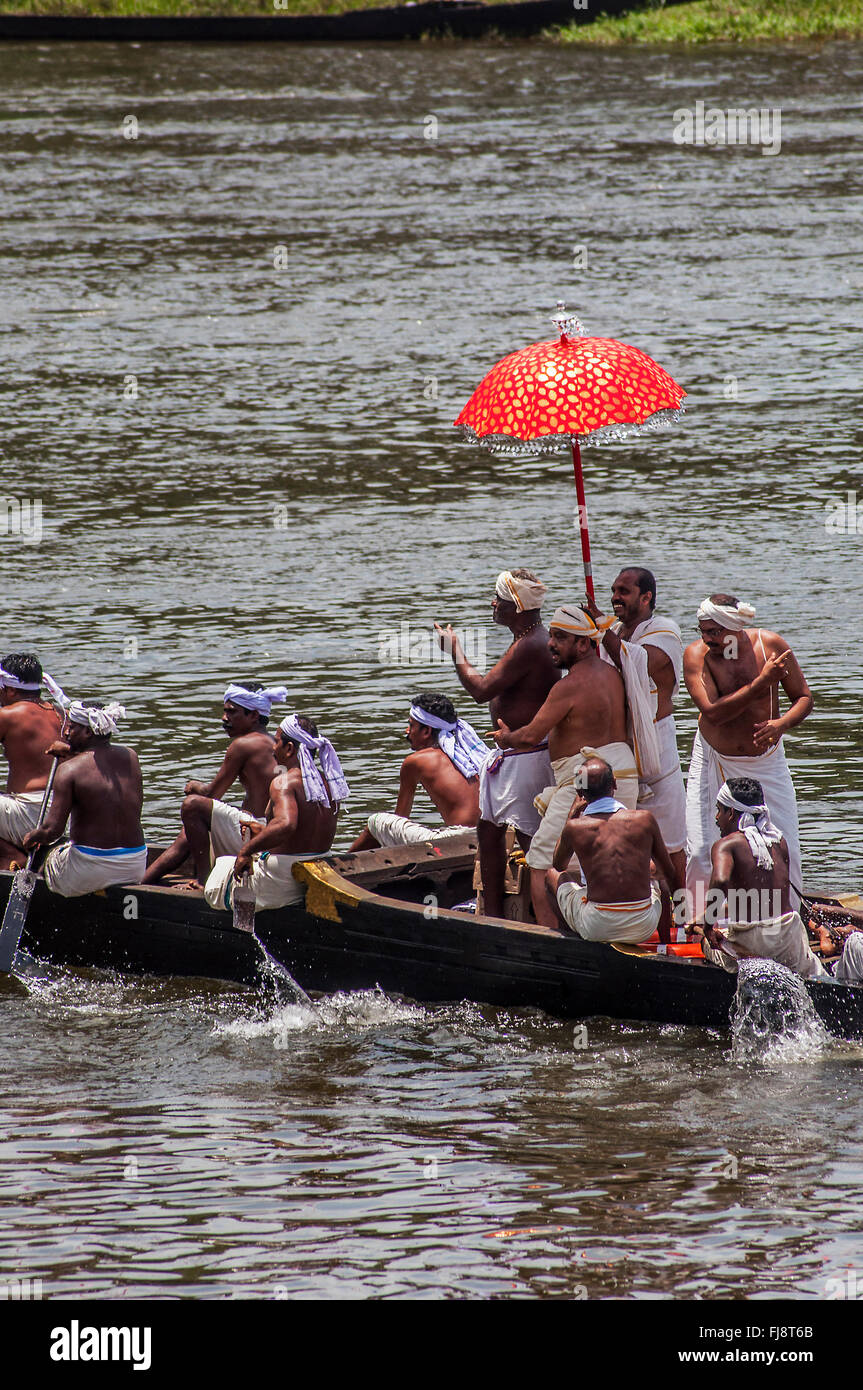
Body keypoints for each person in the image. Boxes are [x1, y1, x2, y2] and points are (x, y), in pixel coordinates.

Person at [492, 605, 638, 928]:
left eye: (560, 638)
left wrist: (506, 737)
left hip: (585, 784)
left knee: (540, 862)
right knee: (610, 854)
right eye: (552, 635)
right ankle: (609, 923)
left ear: (584, 644)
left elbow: (530, 735)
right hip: (623, 777)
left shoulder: (567, 686)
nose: (550, 644)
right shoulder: (613, 674)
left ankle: (550, 936)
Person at [434, 568, 560, 917]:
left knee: (531, 844)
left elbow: (480, 690)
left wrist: (455, 650)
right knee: (488, 833)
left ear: (517, 606)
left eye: (500, 600)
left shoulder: (533, 644)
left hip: (526, 756)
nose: (494, 604)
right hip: (510, 756)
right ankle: (490, 914)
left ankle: (548, 920)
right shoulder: (527, 639)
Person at [683, 594, 812, 911]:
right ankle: (700, 924)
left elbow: (804, 697)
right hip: (715, 756)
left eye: (715, 632)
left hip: (767, 761)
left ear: (735, 626)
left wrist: (781, 724)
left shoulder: (770, 645)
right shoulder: (697, 655)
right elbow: (713, 713)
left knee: (786, 846)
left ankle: (786, 918)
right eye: (703, 631)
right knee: (701, 850)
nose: (708, 639)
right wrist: (761, 682)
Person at [586, 567, 687, 889]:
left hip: (656, 748)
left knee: (671, 845)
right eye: (614, 590)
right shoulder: (613, 630)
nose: (615, 597)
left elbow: (644, 663)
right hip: (620, 749)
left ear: (647, 597)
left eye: (624, 591)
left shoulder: (664, 630)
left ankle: (684, 917)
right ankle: (636, 908)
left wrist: (601, 628)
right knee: (624, 838)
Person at [143, 682, 285, 888]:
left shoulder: (243, 745)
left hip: (256, 836)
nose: (224, 718)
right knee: (192, 827)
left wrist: (194, 786)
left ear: (254, 715)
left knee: (193, 807)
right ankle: (144, 882)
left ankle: (204, 881)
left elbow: (212, 794)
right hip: (266, 833)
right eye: (224, 712)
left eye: (231, 712)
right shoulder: (271, 742)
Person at [204, 713, 347, 912]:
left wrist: (247, 851)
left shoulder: (284, 781)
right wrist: (263, 831)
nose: (272, 747)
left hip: (282, 880)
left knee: (221, 867)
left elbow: (287, 824)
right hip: (320, 867)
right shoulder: (328, 783)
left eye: (277, 741)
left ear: (288, 749)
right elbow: (302, 832)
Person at [694, 777, 827, 980]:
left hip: (754, 944)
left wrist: (707, 926)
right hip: (788, 939)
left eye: (719, 810)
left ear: (731, 813)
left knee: (703, 942)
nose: (716, 817)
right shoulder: (779, 840)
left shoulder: (725, 845)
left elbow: (720, 880)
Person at [22, 700, 147, 896]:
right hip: (135, 864)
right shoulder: (131, 756)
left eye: (71, 727)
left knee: (48, 857)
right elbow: (98, 767)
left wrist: (31, 837)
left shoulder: (68, 770)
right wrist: (71, 752)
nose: (65, 733)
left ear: (88, 732)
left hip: (90, 870)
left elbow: (52, 831)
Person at [546, 756, 676, 943]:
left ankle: (572, 942)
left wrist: (571, 816)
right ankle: (665, 946)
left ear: (580, 791)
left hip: (597, 926)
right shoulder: (645, 819)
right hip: (643, 925)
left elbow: (559, 865)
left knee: (551, 875)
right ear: (614, 783)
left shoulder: (575, 827)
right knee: (659, 879)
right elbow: (669, 872)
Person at [349, 693, 484, 851]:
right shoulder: (471, 756)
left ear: (426, 731)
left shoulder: (415, 761)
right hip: (491, 835)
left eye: (411, 725)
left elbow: (400, 818)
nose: (407, 731)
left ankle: (339, 868)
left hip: (459, 841)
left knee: (377, 822)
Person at [0, 654, 64, 869]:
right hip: (63, 817)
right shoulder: (59, 713)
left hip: (30, 817)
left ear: (10, 690)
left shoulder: (8, 715)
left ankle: (12, 857)